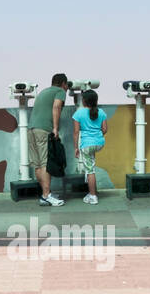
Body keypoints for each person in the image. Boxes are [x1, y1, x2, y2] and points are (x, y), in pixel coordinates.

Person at [29, 73, 68, 207]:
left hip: (32, 129)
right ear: (64, 84)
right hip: (44, 129)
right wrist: (55, 128)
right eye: (67, 86)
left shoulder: (44, 92)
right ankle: (46, 196)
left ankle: (46, 194)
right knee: (46, 163)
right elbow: (56, 106)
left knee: (38, 164)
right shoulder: (60, 91)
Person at [72, 89, 107, 205]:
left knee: (90, 170)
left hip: (86, 145)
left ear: (84, 100)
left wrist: (76, 148)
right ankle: (92, 191)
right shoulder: (101, 112)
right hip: (99, 143)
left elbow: (76, 132)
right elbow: (105, 129)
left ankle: (93, 196)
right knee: (90, 164)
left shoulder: (78, 114)